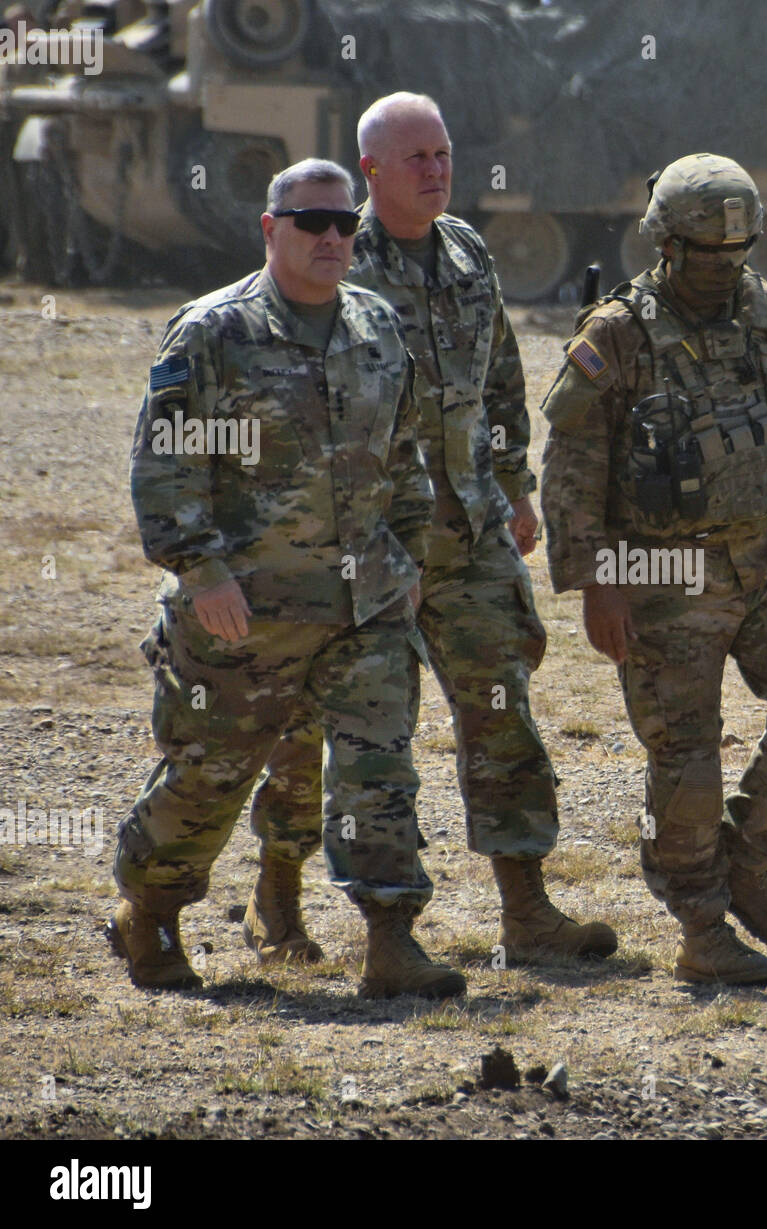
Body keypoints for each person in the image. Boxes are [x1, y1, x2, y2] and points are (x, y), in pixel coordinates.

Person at [245, 93, 616, 967]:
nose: (437, 170)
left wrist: (514, 481)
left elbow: (498, 377)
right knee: (331, 727)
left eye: (444, 153)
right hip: (364, 542)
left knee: (502, 711)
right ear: (370, 171)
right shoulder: (333, 258)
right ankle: (282, 895)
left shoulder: (466, 252)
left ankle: (526, 912)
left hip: (469, 529)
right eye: (416, 158)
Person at [111, 157, 464, 1000]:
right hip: (245, 611)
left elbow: (406, 457)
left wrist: (408, 558)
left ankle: (391, 937)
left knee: (379, 768)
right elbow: (164, 467)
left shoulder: (377, 325)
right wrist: (201, 572)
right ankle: (149, 914)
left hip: (365, 602)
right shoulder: (213, 333)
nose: (333, 238)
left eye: (345, 223)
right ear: (271, 229)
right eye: (313, 223)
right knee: (210, 774)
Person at [539, 153, 767, 984]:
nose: (722, 269)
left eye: (736, 253)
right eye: (705, 254)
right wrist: (598, 580)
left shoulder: (766, 313)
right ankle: (702, 927)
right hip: (662, 572)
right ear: (666, 244)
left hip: (764, 558)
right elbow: (572, 464)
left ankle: (745, 863)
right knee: (685, 752)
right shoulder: (617, 333)